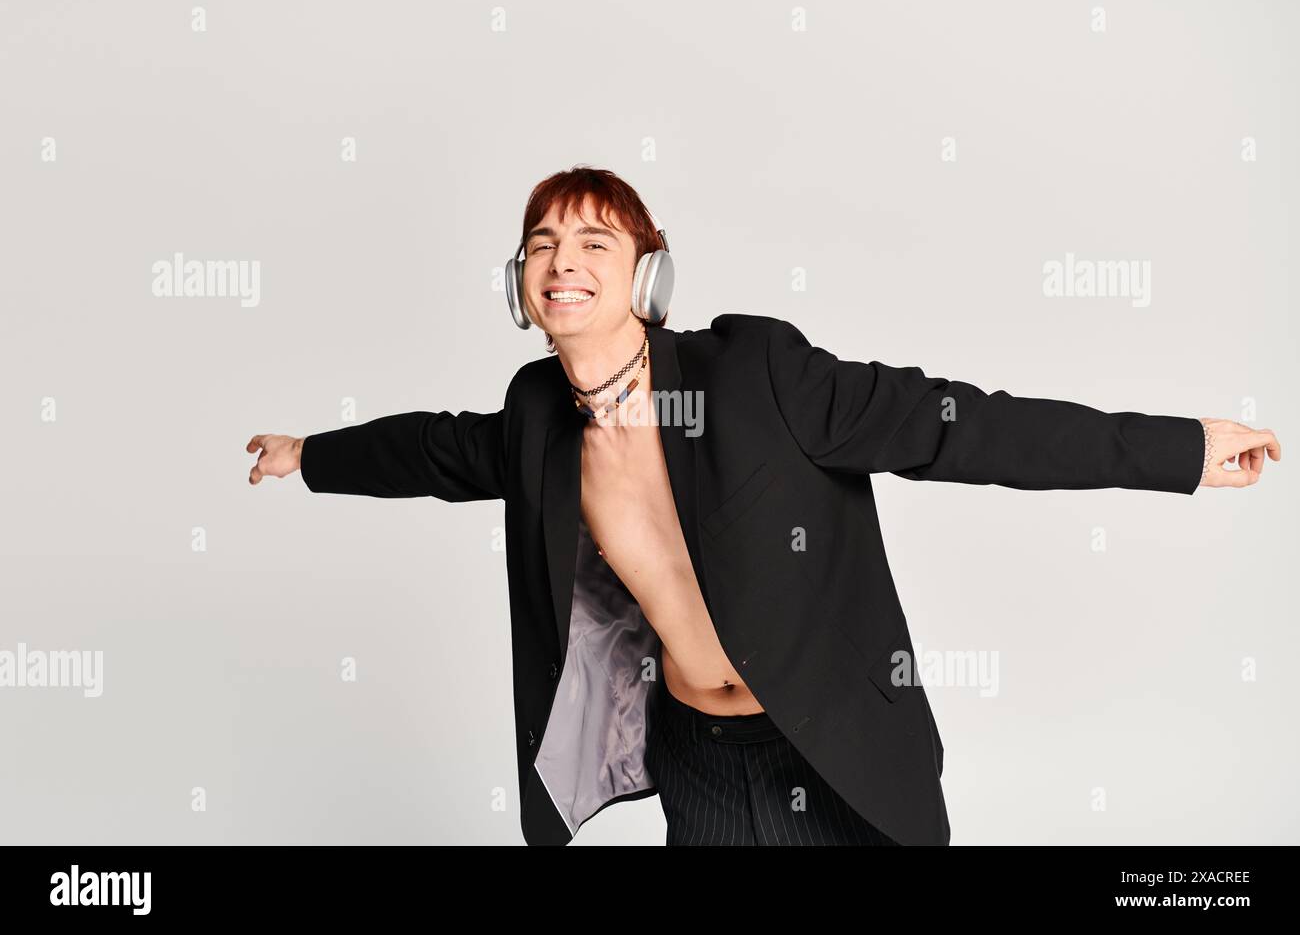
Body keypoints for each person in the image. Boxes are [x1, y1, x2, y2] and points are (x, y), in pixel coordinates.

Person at [246, 165, 1281, 846]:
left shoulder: (758, 375)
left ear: (647, 276)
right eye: (541, 244)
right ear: (517, 285)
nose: (562, 261)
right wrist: (307, 453)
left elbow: (961, 424)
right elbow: (434, 446)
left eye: (593, 242)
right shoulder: (534, 416)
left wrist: (1179, 451)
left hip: (828, 749)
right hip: (698, 758)